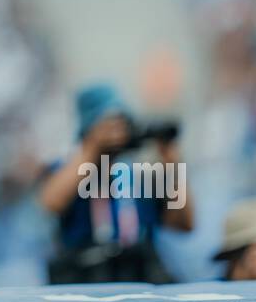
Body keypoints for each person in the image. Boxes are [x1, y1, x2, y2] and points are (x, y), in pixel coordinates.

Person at [38, 84, 194, 283]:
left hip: (139, 280)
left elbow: (183, 224)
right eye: (108, 124)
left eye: (122, 123)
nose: (117, 132)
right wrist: (93, 149)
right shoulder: (70, 170)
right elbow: (50, 203)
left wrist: (174, 168)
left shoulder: (139, 175)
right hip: (87, 280)